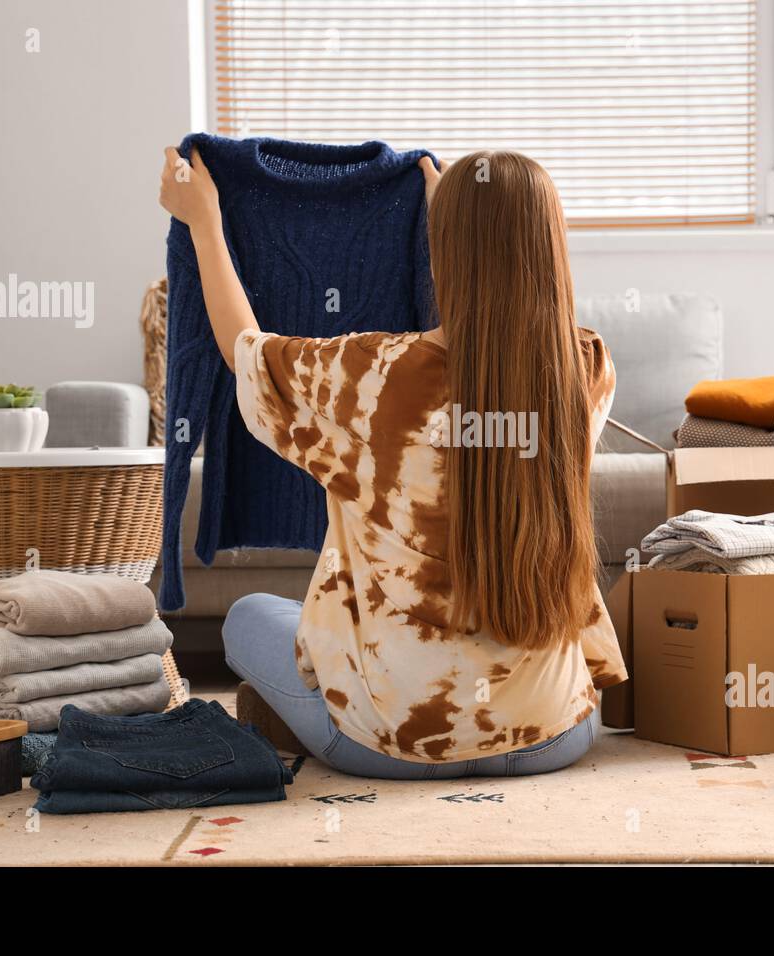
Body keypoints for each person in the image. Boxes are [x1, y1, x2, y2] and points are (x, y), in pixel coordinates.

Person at [158, 145, 625, 779]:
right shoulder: (588, 368)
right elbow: (490, 354)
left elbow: (248, 356)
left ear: (441, 251)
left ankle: (290, 720)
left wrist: (205, 226)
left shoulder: (372, 377)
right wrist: (458, 223)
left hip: (390, 741)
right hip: (553, 730)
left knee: (249, 618)